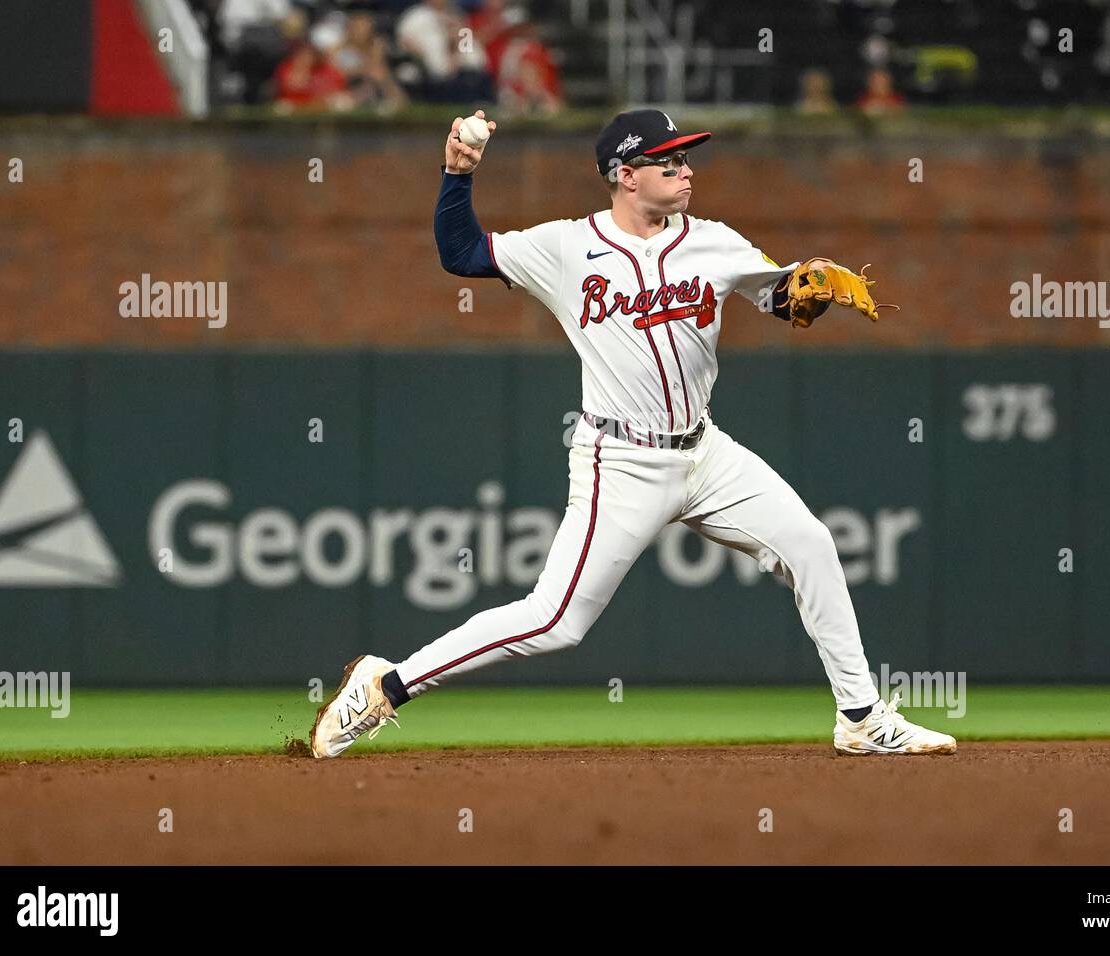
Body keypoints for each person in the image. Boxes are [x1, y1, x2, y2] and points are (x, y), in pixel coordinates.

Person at [310, 109, 956, 759]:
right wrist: (458, 174)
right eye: (667, 160)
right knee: (556, 621)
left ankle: (862, 718)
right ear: (624, 175)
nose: (685, 169)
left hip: (706, 454)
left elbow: (785, 299)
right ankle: (385, 685)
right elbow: (461, 253)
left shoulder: (714, 242)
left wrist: (812, 288)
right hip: (620, 461)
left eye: (686, 157)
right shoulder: (565, 247)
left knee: (811, 545)